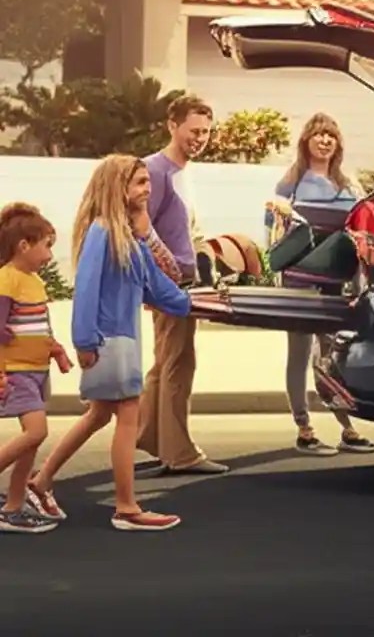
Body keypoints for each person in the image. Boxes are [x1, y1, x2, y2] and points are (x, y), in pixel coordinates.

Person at [25, 155, 191, 531]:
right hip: (108, 340)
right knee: (128, 413)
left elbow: (156, 284)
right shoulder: (102, 231)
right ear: (118, 187)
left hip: (122, 339)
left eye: (148, 182)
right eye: (140, 183)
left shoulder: (128, 236)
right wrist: (84, 340)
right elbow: (85, 289)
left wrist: (189, 302)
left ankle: (41, 481)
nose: (147, 189)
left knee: (100, 414)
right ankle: (126, 507)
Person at [265, 113, 374, 456]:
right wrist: (275, 271)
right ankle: (304, 428)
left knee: (330, 358)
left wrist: (360, 280)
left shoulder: (349, 184)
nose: (325, 140)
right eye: (318, 134)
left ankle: (347, 426)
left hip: (334, 282)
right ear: (306, 141)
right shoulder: (290, 183)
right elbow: (273, 232)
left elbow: (360, 233)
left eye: (331, 134)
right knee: (298, 356)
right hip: (298, 282)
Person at [136, 95, 228, 475]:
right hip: (170, 284)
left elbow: (182, 231)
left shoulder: (182, 172)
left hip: (182, 279)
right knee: (178, 364)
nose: (200, 138)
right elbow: (141, 230)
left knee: (165, 363)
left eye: (206, 132)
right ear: (172, 125)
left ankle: (155, 440)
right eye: (194, 131)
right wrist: (153, 284)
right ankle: (180, 454)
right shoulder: (154, 171)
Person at [0, 203, 71, 534]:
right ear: (23, 245)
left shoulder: (35, 282)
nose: (49, 254)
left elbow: (39, 323)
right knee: (36, 432)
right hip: (15, 371)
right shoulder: (7, 278)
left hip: (38, 369)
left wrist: (54, 349)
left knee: (32, 443)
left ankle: (13, 506)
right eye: (46, 245)